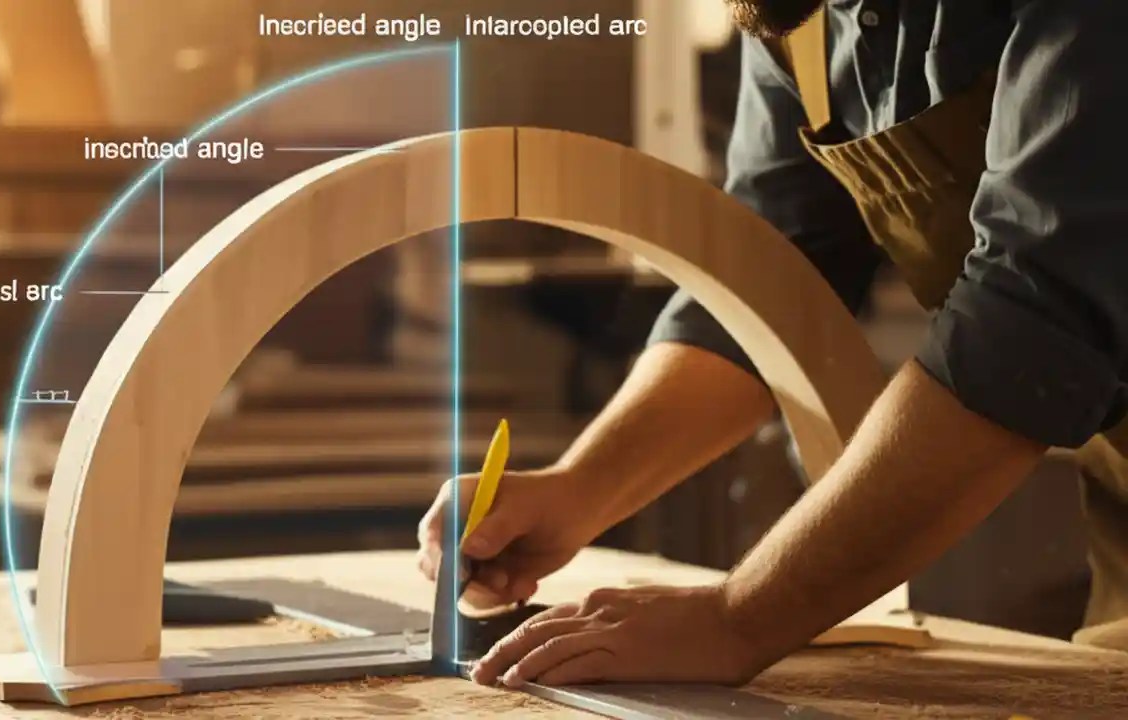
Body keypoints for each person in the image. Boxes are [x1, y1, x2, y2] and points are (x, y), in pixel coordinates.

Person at [416, 0, 1128, 689]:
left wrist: (738, 618)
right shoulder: (797, 15)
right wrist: (580, 487)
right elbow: (767, 287)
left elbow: (1038, 318)